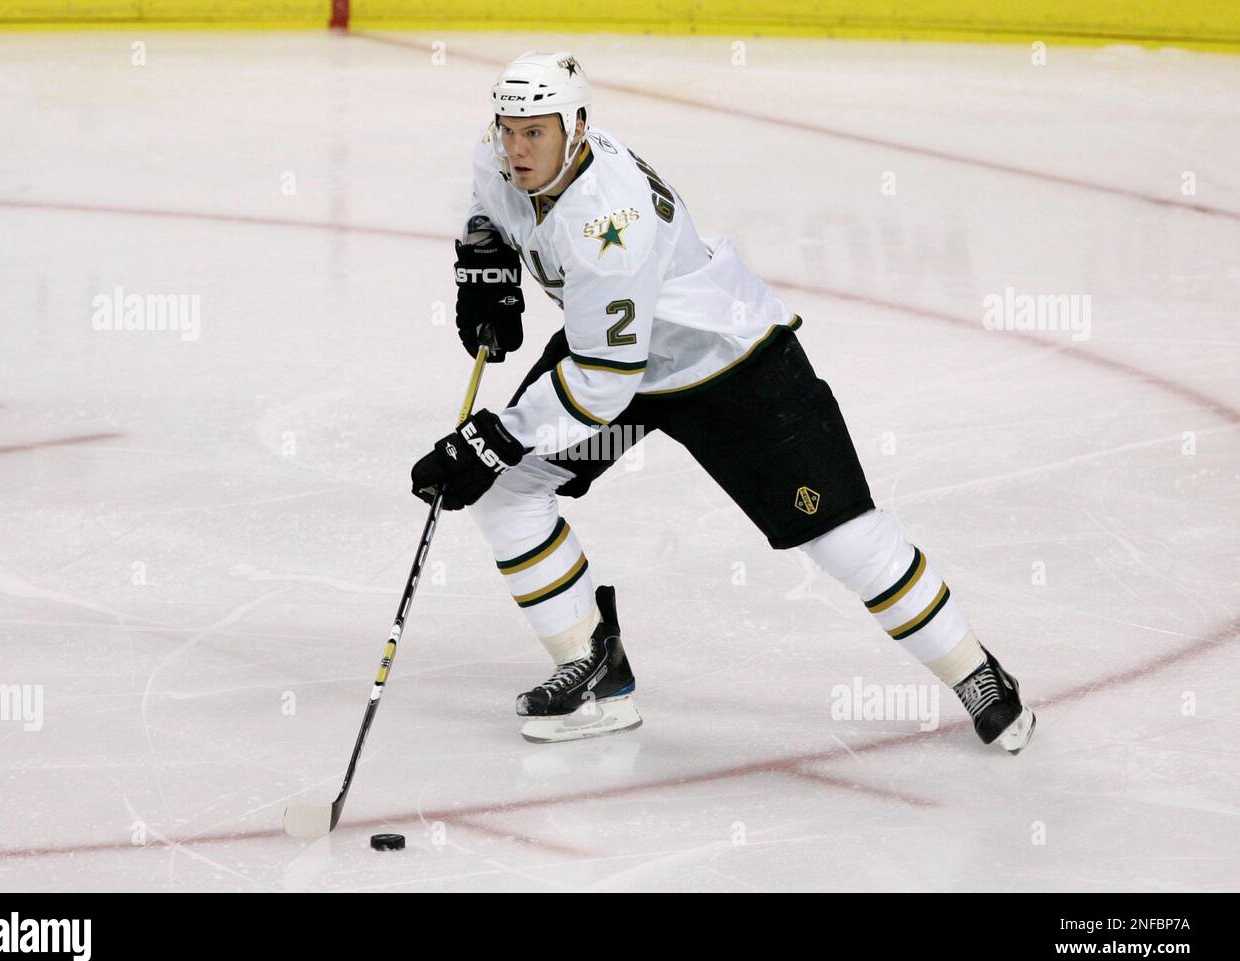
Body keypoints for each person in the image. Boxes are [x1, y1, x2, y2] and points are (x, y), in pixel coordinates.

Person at [410, 51, 1036, 751]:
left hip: (728, 367)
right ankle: (595, 674)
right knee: (508, 492)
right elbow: (489, 214)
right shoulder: (498, 156)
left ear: (578, 128)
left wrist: (492, 438)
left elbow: (601, 386)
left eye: (537, 131)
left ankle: (975, 671)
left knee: (842, 537)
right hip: (623, 357)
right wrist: (485, 265)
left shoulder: (606, 221)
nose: (517, 147)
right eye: (509, 128)